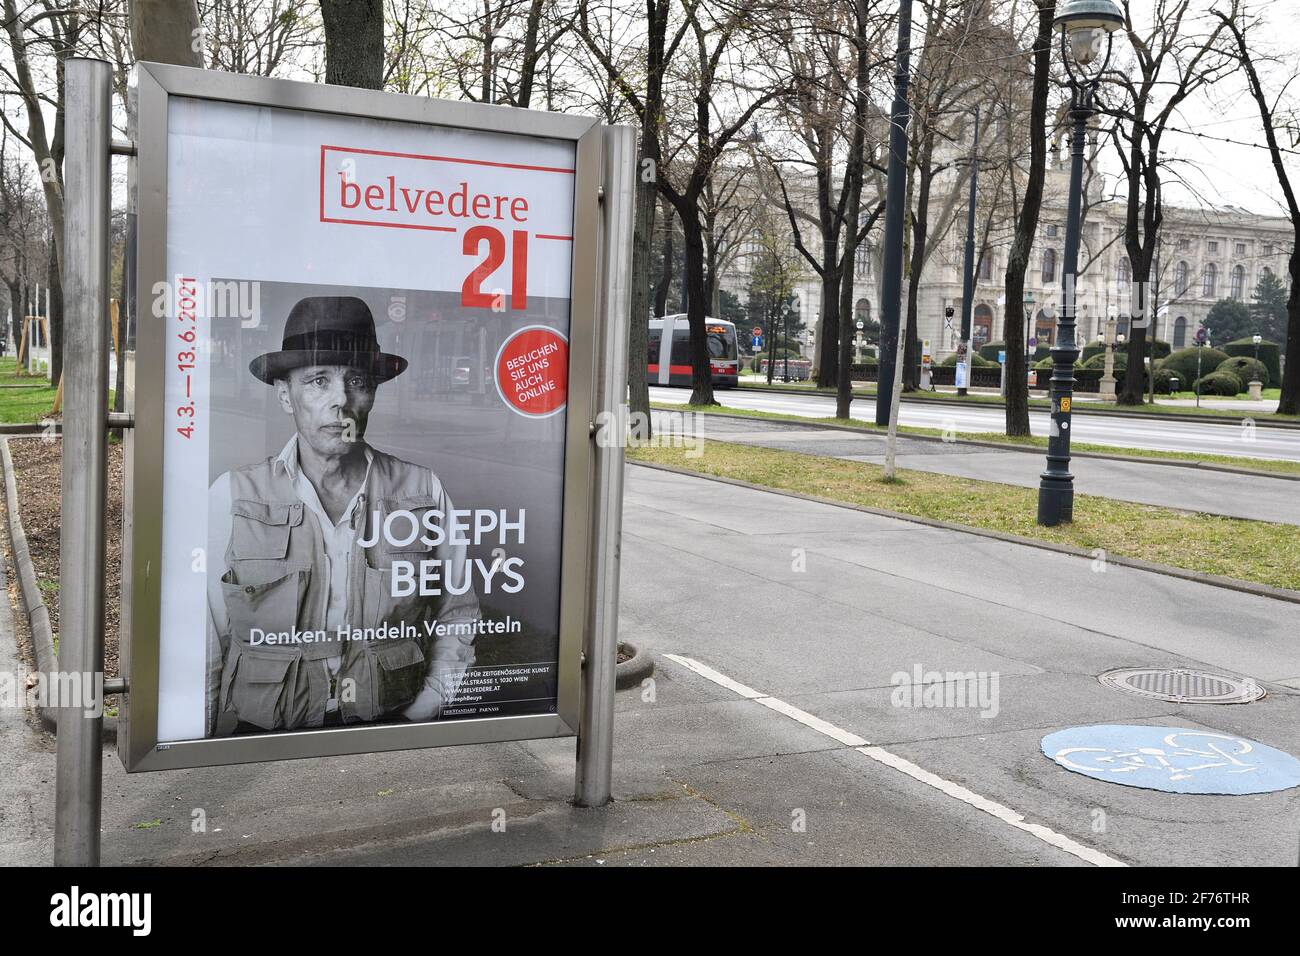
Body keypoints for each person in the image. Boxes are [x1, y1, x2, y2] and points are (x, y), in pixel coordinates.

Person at [205, 295, 480, 736]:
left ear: (372, 394)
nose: (341, 401)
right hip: (264, 735)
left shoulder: (423, 490)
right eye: (318, 381)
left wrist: (427, 707)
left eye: (357, 380)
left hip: (388, 723)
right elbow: (209, 633)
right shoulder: (233, 495)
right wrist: (204, 739)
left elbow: (457, 610)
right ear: (284, 395)